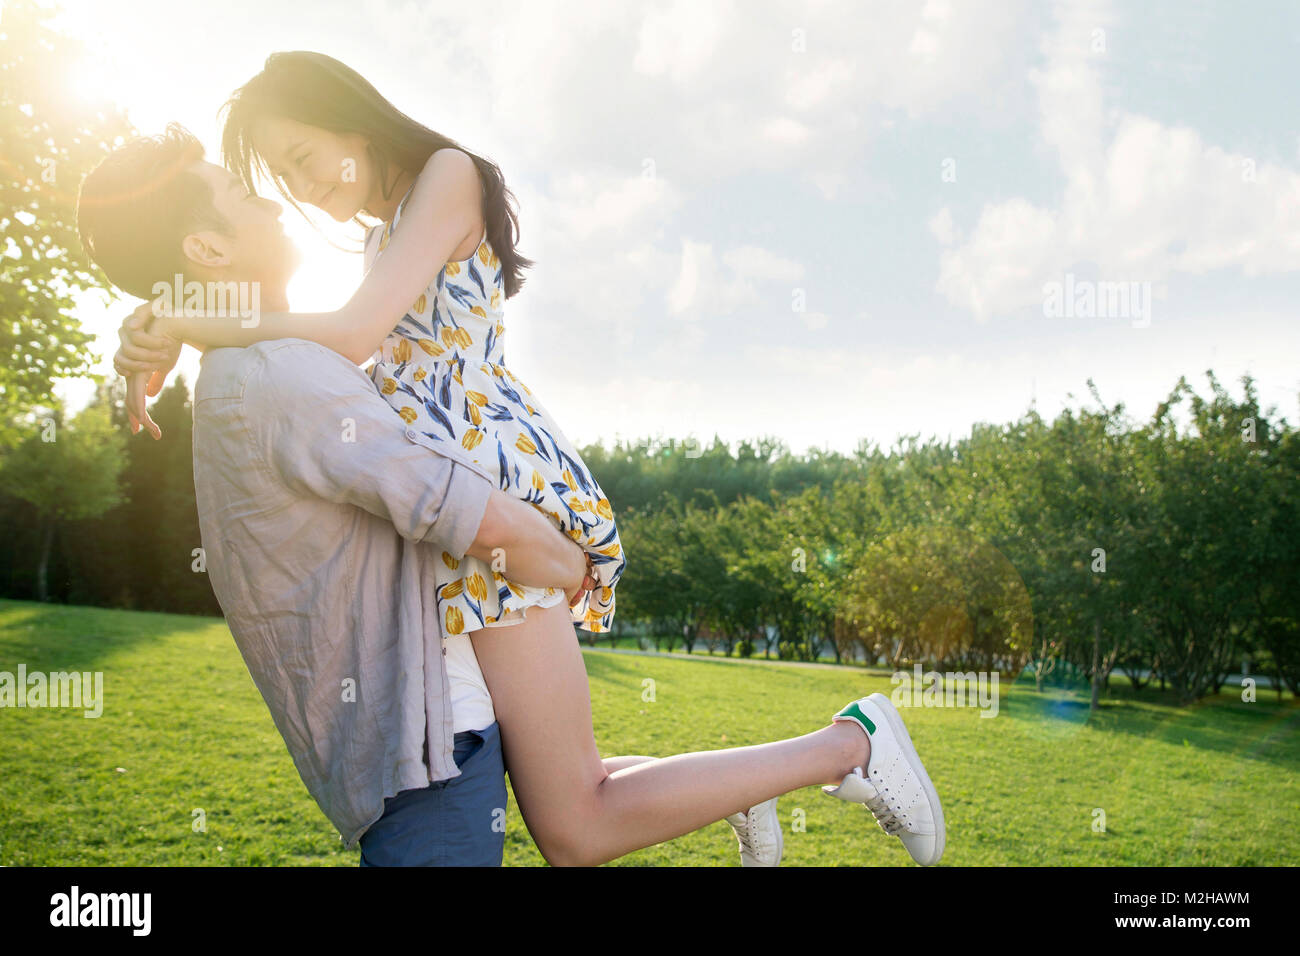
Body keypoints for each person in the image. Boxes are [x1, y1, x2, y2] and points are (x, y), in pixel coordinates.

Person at [111, 52, 947, 867]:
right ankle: (749, 783)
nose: (304, 189)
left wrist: (193, 321)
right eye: (284, 182)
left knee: (575, 824)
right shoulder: (384, 231)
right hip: (451, 511)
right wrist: (173, 317)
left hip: (489, 480)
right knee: (566, 804)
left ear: (348, 119)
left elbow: (355, 332)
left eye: (302, 158)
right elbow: (328, 370)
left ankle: (851, 742)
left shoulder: (445, 175)